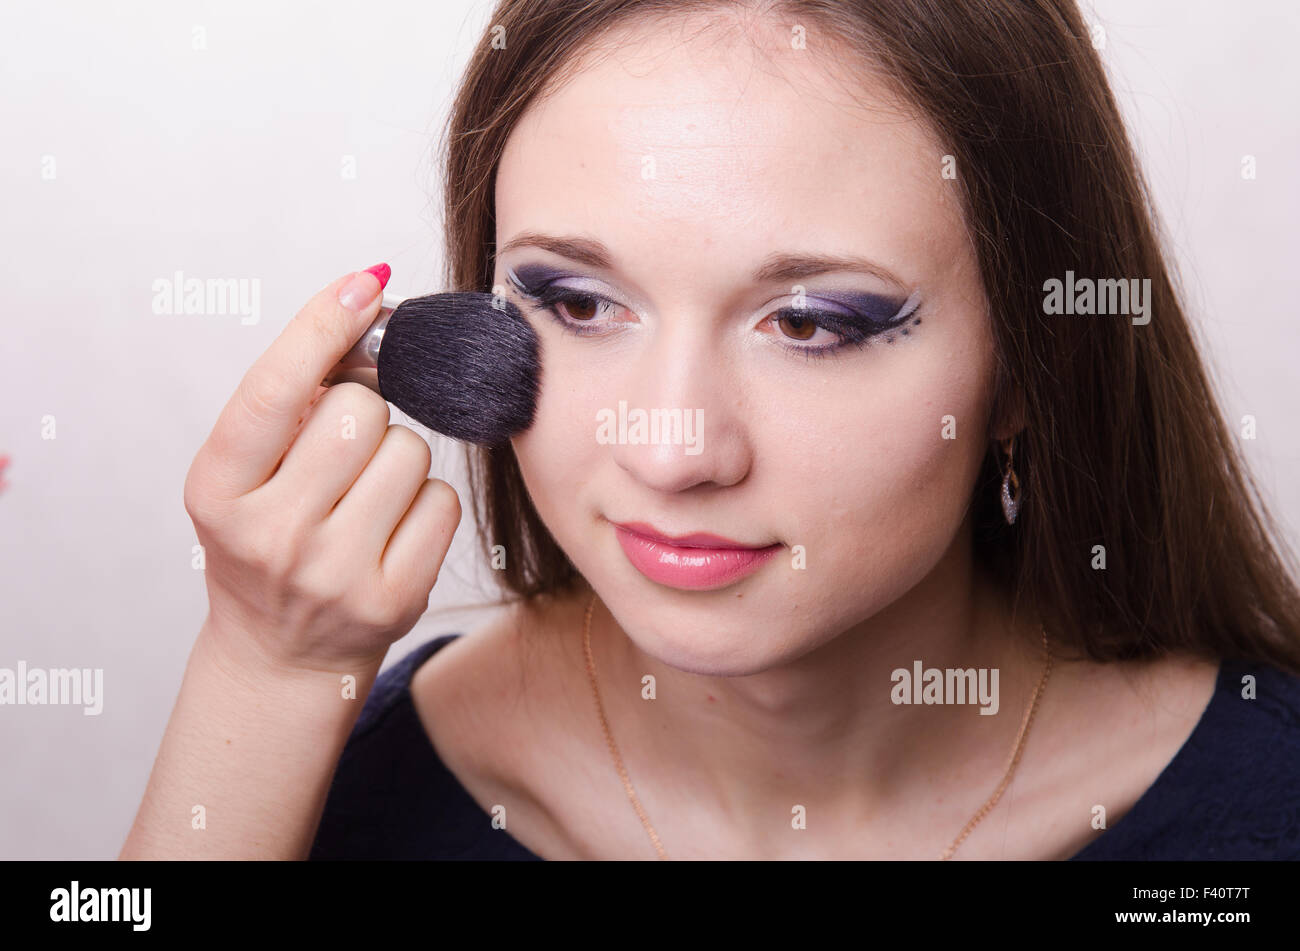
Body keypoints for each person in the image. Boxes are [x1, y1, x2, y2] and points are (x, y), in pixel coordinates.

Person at [123, 0, 1300, 861]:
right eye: (578, 304)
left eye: (809, 322)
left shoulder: (1259, 804)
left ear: (1025, 366)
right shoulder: (346, 790)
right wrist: (261, 673)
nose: (673, 449)